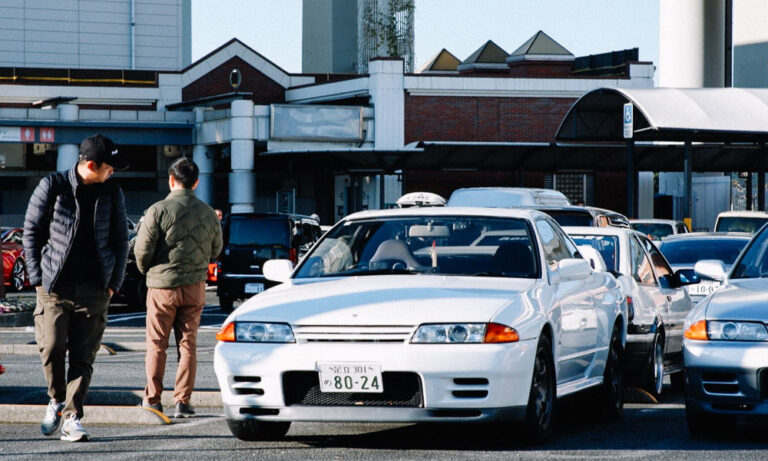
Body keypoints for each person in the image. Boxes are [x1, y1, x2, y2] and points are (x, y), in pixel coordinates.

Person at [23, 134, 129, 442]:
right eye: (110, 167)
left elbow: (121, 241)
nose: (113, 172)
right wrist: (37, 278)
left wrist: (113, 284)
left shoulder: (112, 192)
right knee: (51, 346)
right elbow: (31, 231)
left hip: (95, 289)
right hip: (54, 287)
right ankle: (55, 399)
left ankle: (72, 417)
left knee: (84, 357)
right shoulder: (53, 186)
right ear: (92, 165)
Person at [134, 157, 222, 418]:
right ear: (196, 182)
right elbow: (216, 250)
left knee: (157, 344)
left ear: (171, 180)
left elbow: (142, 251)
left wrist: (148, 270)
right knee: (188, 345)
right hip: (195, 286)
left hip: (162, 287)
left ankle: (153, 399)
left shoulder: (158, 210)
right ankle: (183, 401)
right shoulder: (208, 212)